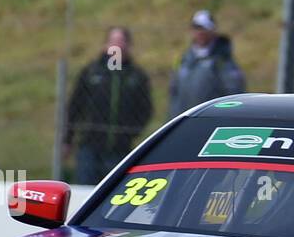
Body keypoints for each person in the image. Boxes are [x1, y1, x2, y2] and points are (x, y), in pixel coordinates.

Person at [64, 26, 154, 185]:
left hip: (120, 150)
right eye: (113, 41)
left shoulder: (136, 77)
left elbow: (145, 110)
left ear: (128, 45)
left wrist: (130, 132)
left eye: (121, 41)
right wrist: (68, 139)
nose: (117, 46)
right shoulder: (91, 72)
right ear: (106, 45)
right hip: (89, 146)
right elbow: (74, 107)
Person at [168, 10, 246, 117]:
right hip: (184, 121)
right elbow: (174, 93)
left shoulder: (222, 60)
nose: (200, 33)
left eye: (204, 29)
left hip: (211, 121)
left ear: (212, 31)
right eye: (196, 28)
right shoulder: (183, 60)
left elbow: (234, 94)